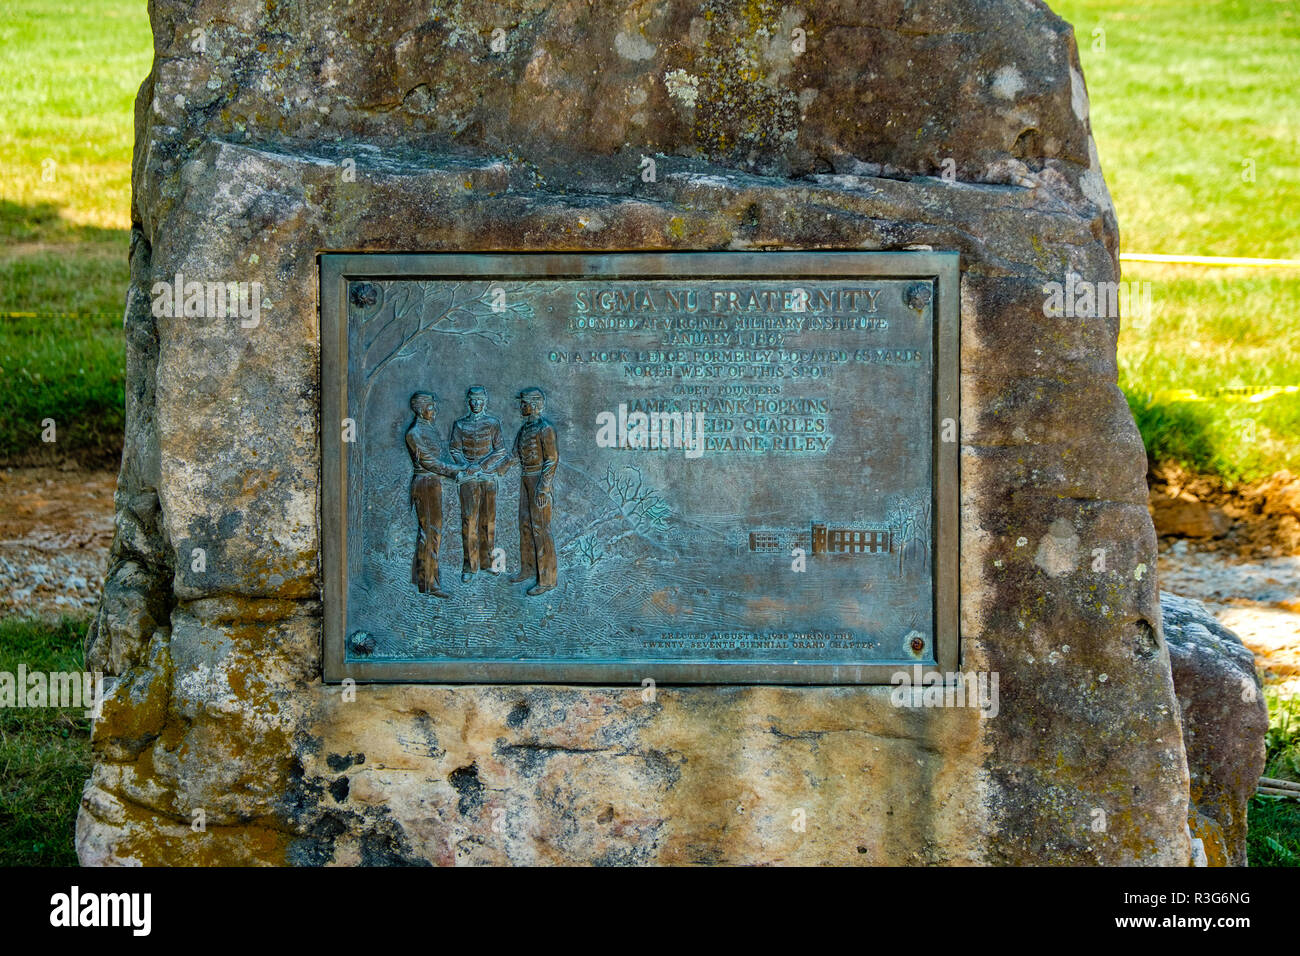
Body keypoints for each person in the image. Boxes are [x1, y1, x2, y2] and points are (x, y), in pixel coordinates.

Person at [405, 392, 462, 598]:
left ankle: (425, 580)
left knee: (432, 532)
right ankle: (429, 583)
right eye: (430, 407)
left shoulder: (428, 429)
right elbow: (429, 461)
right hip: (426, 484)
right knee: (430, 532)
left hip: (433, 483)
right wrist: (455, 471)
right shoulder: (414, 433)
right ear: (420, 409)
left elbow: (441, 457)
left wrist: (461, 467)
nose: (434, 410)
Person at [448, 385, 507, 582]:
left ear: (485, 402)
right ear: (468, 401)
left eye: (480, 400)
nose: (476, 404)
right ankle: (470, 565)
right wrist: (466, 467)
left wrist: (481, 466)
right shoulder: (460, 425)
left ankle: (488, 562)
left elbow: (500, 451)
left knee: (488, 521)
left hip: (487, 478)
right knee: (469, 521)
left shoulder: (493, 423)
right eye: (473, 400)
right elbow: (455, 450)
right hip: (468, 480)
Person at [508, 387, 558, 596]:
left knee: (541, 529)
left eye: (524, 403)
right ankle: (528, 569)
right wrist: (486, 470)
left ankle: (547, 579)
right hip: (525, 479)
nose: (521, 406)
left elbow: (552, 459)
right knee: (525, 525)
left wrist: (543, 488)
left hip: (538, 481)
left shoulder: (545, 428)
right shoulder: (524, 429)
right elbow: (512, 457)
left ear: (535, 405)